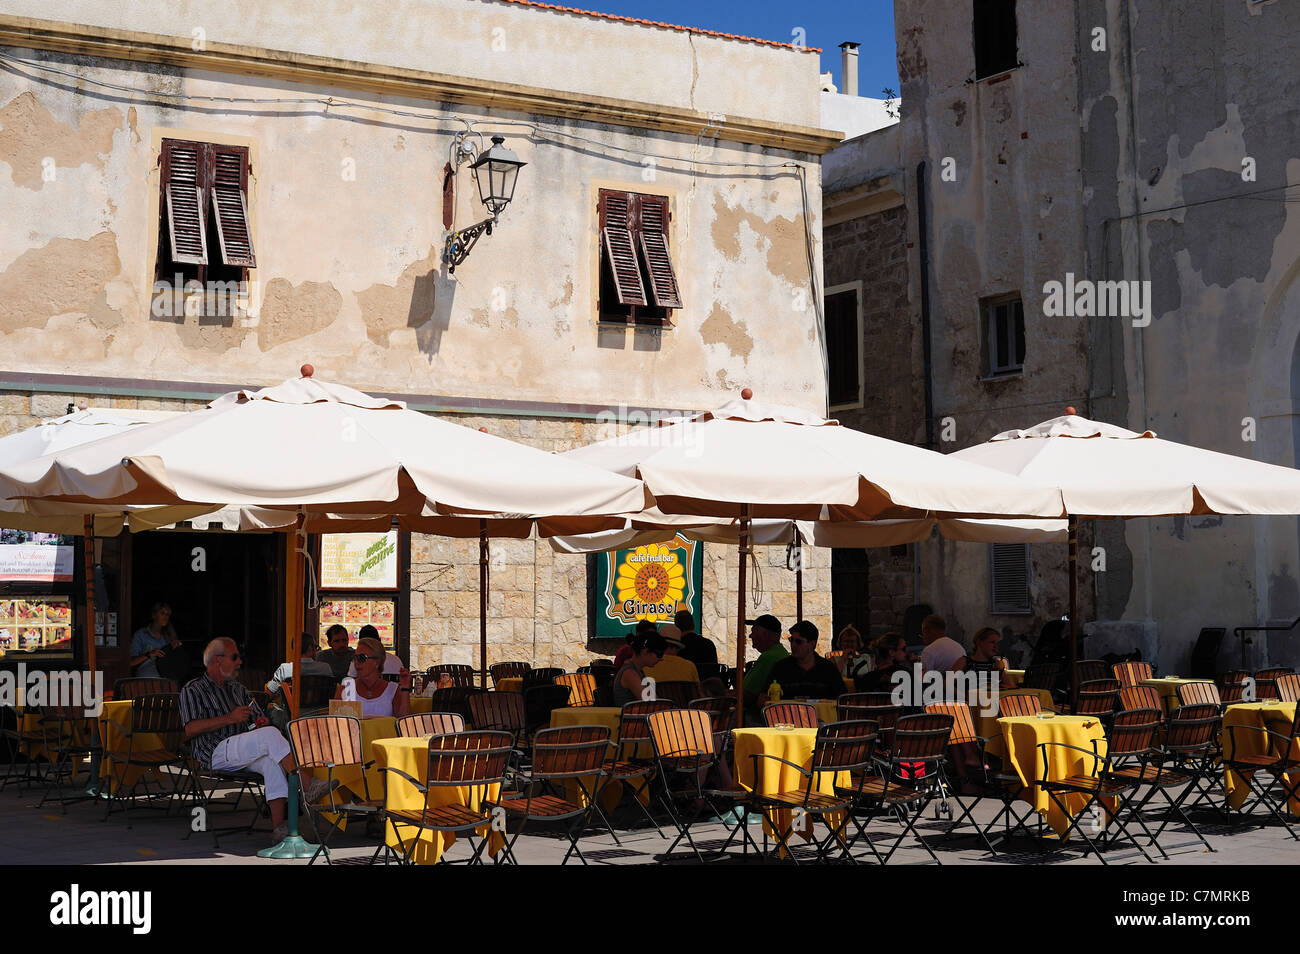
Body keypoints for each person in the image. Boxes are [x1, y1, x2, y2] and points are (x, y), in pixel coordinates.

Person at [181, 637, 335, 843]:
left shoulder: (237, 689)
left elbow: (255, 721)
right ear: (217, 660)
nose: (239, 662)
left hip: (242, 746)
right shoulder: (193, 690)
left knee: (271, 759)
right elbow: (190, 729)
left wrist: (259, 723)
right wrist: (229, 718)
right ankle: (307, 786)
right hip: (213, 751)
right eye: (234, 657)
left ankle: (279, 828)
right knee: (271, 735)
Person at [763, 621, 845, 701]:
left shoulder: (828, 669)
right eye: (791, 640)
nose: (793, 645)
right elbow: (763, 696)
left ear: (812, 644)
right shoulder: (780, 668)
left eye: (798, 642)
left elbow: (842, 698)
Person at [336, 636, 411, 717]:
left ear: (377, 662)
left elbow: (404, 722)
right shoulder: (345, 689)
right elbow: (336, 723)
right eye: (355, 658)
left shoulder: (392, 690)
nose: (356, 662)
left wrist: (405, 688)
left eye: (362, 658)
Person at [741, 614, 788, 720]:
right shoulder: (781, 652)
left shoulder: (768, 657)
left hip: (761, 716)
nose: (750, 636)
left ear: (765, 634)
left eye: (753, 632)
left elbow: (747, 694)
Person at [266, 634, 335, 694]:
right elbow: (332, 692)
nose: (317, 650)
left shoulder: (285, 669)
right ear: (310, 648)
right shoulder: (325, 668)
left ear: (294, 649)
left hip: (292, 708)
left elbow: (269, 693)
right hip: (320, 708)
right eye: (316, 647)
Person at [130, 602, 182, 678]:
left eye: (167, 615)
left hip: (165, 679)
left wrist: (176, 650)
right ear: (154, 615)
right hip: (146, 679)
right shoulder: (141, 635)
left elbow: (177, 662)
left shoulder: (169, 636)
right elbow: (131, 662)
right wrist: (149, 654)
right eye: (162, 613)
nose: (165, 617)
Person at [613, 632, 666, 706]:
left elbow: (654, 699)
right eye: (659, 654)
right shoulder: (630, 673)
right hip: (632, 717)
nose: (661, 659)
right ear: (645, 652)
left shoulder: (636, 670)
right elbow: (650, 703)